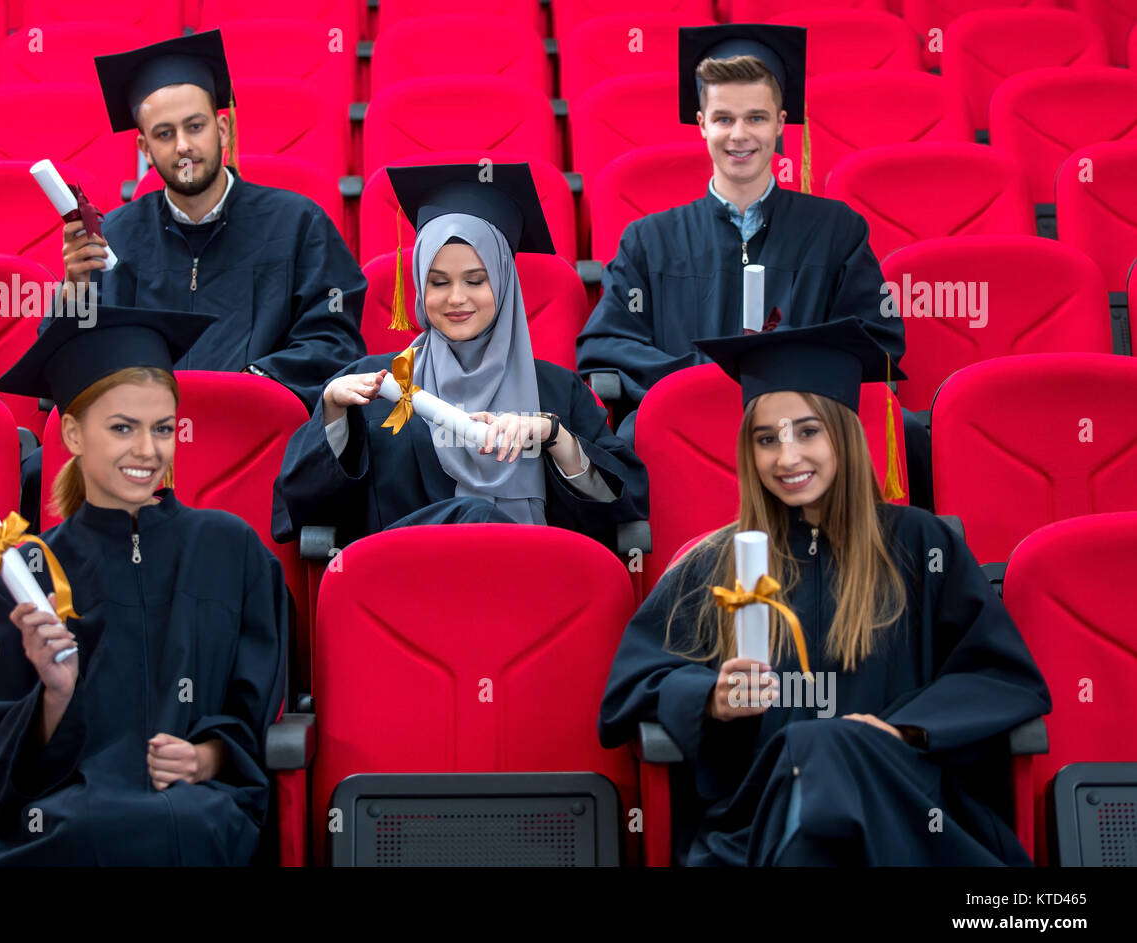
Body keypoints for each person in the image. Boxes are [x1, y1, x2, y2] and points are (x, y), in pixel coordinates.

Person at [598, 319, 1050, 866]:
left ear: (845, 433)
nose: (787, 458)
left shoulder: (920, 547)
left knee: (826, 745)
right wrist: (709, 697)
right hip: (762, 820)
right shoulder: (715, 564)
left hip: (904, 809)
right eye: (767, 440)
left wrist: (896, 729)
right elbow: (631, 694)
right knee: (813, 749)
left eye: (807, 432)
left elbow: (1000, 678)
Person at [0, 305, 289, 865]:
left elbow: (260, 710)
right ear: (71, 434)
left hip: (194, 808)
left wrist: (206, 759)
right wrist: (55, 696)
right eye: (121, 428)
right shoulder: (27, 576)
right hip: (60, 815)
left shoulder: (232, 550)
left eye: (162, 429)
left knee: (180, 827)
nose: (147, 451)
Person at [19, 30, 368, 528]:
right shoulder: (115, 237)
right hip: (140, 448)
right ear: (143, 147)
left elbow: (333, 344)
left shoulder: (297, 225)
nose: (183, 146)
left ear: (222, 129)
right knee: (37, 471)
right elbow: (61, 372)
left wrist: (246, 388)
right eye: (164, 134)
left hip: (253, 437)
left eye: (195, 126)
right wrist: (75, 288)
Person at [574, 25, 932, 508]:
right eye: (723, 119)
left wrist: (787, 370)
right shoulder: (649, 240)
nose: (739, 136)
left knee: (904, 430)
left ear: (781, 123)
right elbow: (605, 344)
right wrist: (705, 375)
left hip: (811, 426)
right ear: (701, 124)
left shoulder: (836, 231)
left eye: (756, 118)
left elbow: (881, 339)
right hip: (692, 424)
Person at [272, 163, 649, 551]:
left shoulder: (556, 393)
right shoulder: (373, 387)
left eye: (475, 280)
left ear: (503, 283)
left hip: (532, 598)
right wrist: (333, 418)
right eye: (438, 282)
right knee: (474, 519)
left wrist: (556, 439)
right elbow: (307, 512)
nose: (455, 298)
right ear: (419, 286)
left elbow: (622, 512)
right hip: (404, 597)